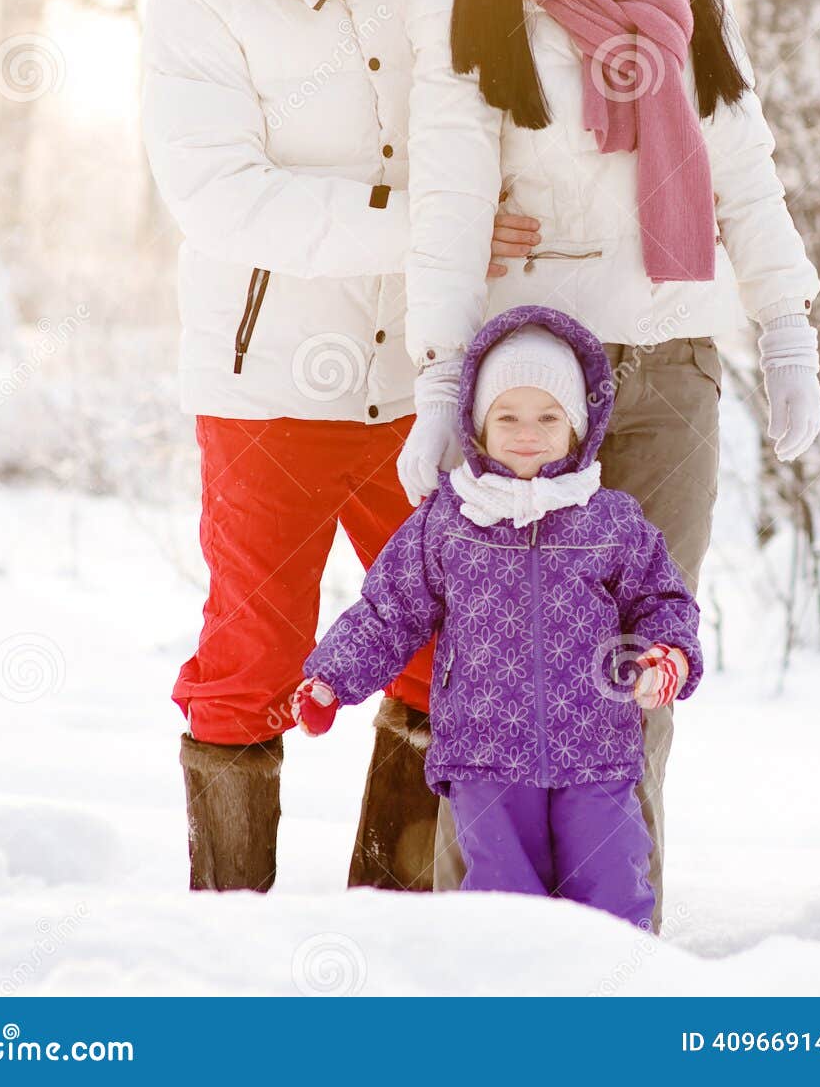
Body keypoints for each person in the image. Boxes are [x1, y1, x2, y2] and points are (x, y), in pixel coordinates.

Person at [396, 0, 820, 931]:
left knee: (642, 662)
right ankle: (479, 940)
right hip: (535, 373)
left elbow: (741, 164)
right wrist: (439, 378)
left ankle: (613, 931)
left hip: (677, 365)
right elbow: (449, 193)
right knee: (502, 665)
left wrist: (784, 326)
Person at [140, 0, 493, 893]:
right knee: (255, 655)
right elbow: (222, 197)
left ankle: (392, 916)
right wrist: (429, 224)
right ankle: (230, 934)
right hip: (271, 385)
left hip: (425, 383)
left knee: (453, 646)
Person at [292, 304, 703, 929]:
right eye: (506, 416)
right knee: (501, 910)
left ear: (579, 427)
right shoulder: (450, 519)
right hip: (484, 755)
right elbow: (389, 608)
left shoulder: (611, 520)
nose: (526, 432)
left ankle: (620, 1005)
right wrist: (332, 678)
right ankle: (506, 1014)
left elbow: (662, 600)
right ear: (477, 426)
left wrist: (664, 655)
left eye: (547, 416)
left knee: (615, 895)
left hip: (595, 752)